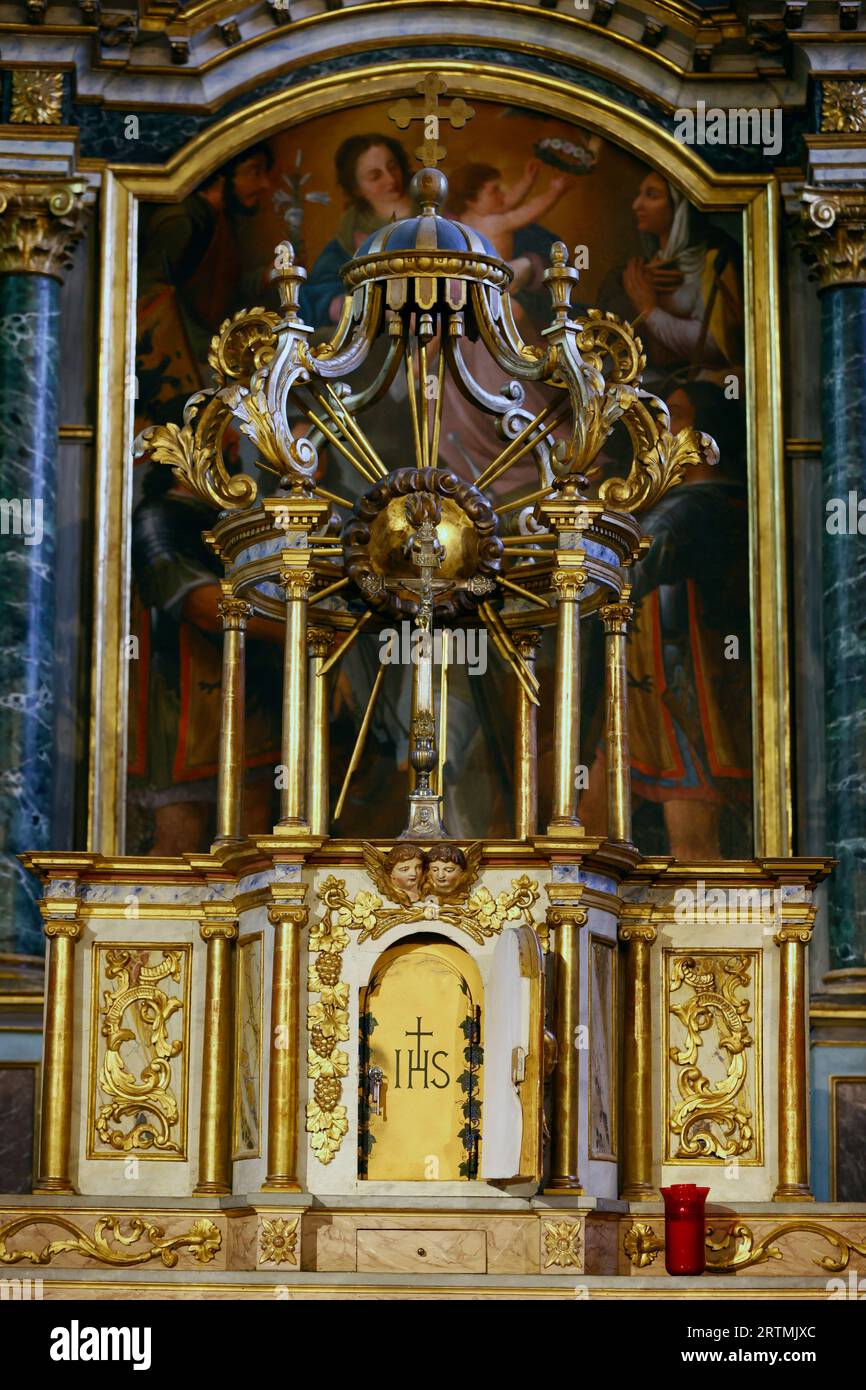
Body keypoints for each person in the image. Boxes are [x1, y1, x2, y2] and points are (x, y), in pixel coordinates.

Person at [579, 382, 752, 859]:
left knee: (693, 845)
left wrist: (579, 521)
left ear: (704, 439)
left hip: (683, 702)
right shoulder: (711, 504)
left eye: (675, 414)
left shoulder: (694, 508)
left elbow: (623, 570)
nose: (662, 425)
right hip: (645, 698)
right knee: (587, 830)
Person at [601, 170, 743, 392]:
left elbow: (716, 344)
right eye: (640, 195)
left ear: (680, 208)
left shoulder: (712, 262)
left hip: (701, 386)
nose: (637, 205)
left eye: (652, 195)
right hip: (655, 379)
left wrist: (649, 310)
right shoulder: (642, 270)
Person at [301, 134, 412, 328]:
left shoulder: (433, 207)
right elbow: (319, 292)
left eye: (392, 166)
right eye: (375, 176)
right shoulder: (351, 230)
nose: (391, 179)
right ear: (357, 188)